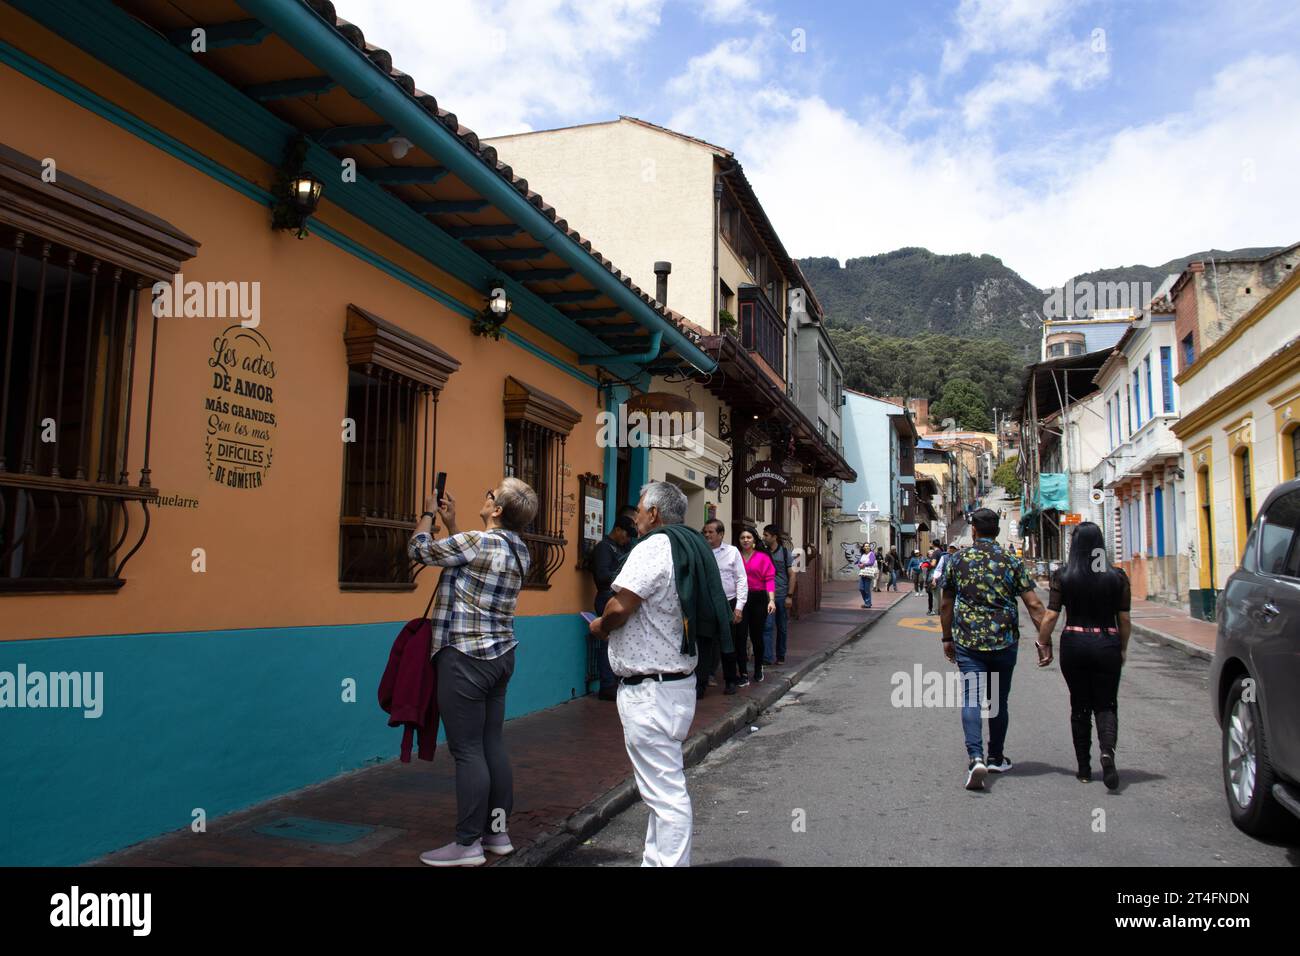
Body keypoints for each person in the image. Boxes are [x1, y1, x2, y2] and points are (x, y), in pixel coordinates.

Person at [590, 481, 730, 867]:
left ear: (653, 513)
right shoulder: (690, 545)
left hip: (651, 689)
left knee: (665, 794)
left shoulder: (654, 545)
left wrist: (601, 625)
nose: (635, 514)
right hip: (674, 684)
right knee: (658, 789)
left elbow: (621, 606)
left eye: (638, 507)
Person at [409, 478, 537, 866]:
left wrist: (429, 513)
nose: (486, 495)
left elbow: (419, 551)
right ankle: (496, 832)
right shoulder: (521, 552)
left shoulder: (476, 543)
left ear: (497, 510)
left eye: (490, 494)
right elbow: (474, 566)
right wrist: (454, 525)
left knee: (466, 750)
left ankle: (467, 844)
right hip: (500, 656)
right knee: (491, 744)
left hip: (463, 656)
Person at [940, 508, 1047, 791]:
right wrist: (1044, 640)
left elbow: (945, 603)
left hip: (969, 643)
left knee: (972, 699)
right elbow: (1034, 605)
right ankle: (996, 757)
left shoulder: (957, 559)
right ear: (997, 531)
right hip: (1004, 642)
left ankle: (976, 757)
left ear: (973, 530)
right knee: (998, 700)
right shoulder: (1011, 560)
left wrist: (946, 638)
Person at [1035, 522, 1131, 788]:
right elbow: (1124, 619)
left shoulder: (1063, 576)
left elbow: (1052, 615)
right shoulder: (1117, 577)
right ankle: (1107, 752)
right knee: (1107, 703)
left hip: (1075, 643)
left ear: (1074, 546)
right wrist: (1121, 647)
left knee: (1079, 705)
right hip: (1107, 641)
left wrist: (1043, 642)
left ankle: (1084, 769)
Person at [589, 515, 637, 701]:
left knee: (618, 641)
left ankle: (615, 681)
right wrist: (623, 579)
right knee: (606, 642)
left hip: (616, 598)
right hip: (606, 598)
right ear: (617, 530)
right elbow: (601, 576)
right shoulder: (604, 548)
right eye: (626, 535)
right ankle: (607, 685)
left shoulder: (621, 547)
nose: (627, 539)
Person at [702, 519, 746, 695]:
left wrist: (739, 607)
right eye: (705, 532)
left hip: (728, 602)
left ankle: (730, 680)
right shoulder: (701, 551)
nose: (707, 535)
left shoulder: (732, 552)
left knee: (727, 643)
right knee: (705, 642)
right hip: (707, 603)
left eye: (711, 532)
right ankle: (702, 682)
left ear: (721, 534)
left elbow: (741, 579)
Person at [736, 526, 776, 683]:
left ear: (754, 540)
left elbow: (770, 579)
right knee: (739, 636)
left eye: (748, 537)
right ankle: (743, 673)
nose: (745, 540)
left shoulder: (763, 557)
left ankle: (758, 667)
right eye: (742, 537)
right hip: (740, 598)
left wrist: (771, 600)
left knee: (756, 636)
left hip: (758, 598)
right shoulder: (735, 556)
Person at [761, 525, 797, 666]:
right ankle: (767, 657)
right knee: (767, 626)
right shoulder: (762, 552)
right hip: (767, 596)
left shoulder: (785, 552)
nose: (764, 538)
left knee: (781, 627)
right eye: (763, 535)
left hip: (782, 595)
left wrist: (790, 595)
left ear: (774, 537)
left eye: (766, 535)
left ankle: (780, 655)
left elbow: (792, 575)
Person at [856, 543, 876, 608]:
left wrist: (864, 564)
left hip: (868, 573)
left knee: (866, 589)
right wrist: (859, 564)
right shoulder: (863, 554)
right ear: (863, 548)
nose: (867, 547)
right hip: (862, 573)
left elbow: (872, 562)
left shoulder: (871, 554)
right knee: (861, 588)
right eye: (866, 546)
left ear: (870, 547)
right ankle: (867, 602)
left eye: (868, 546)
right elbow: (859, 562)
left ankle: (868, 603)